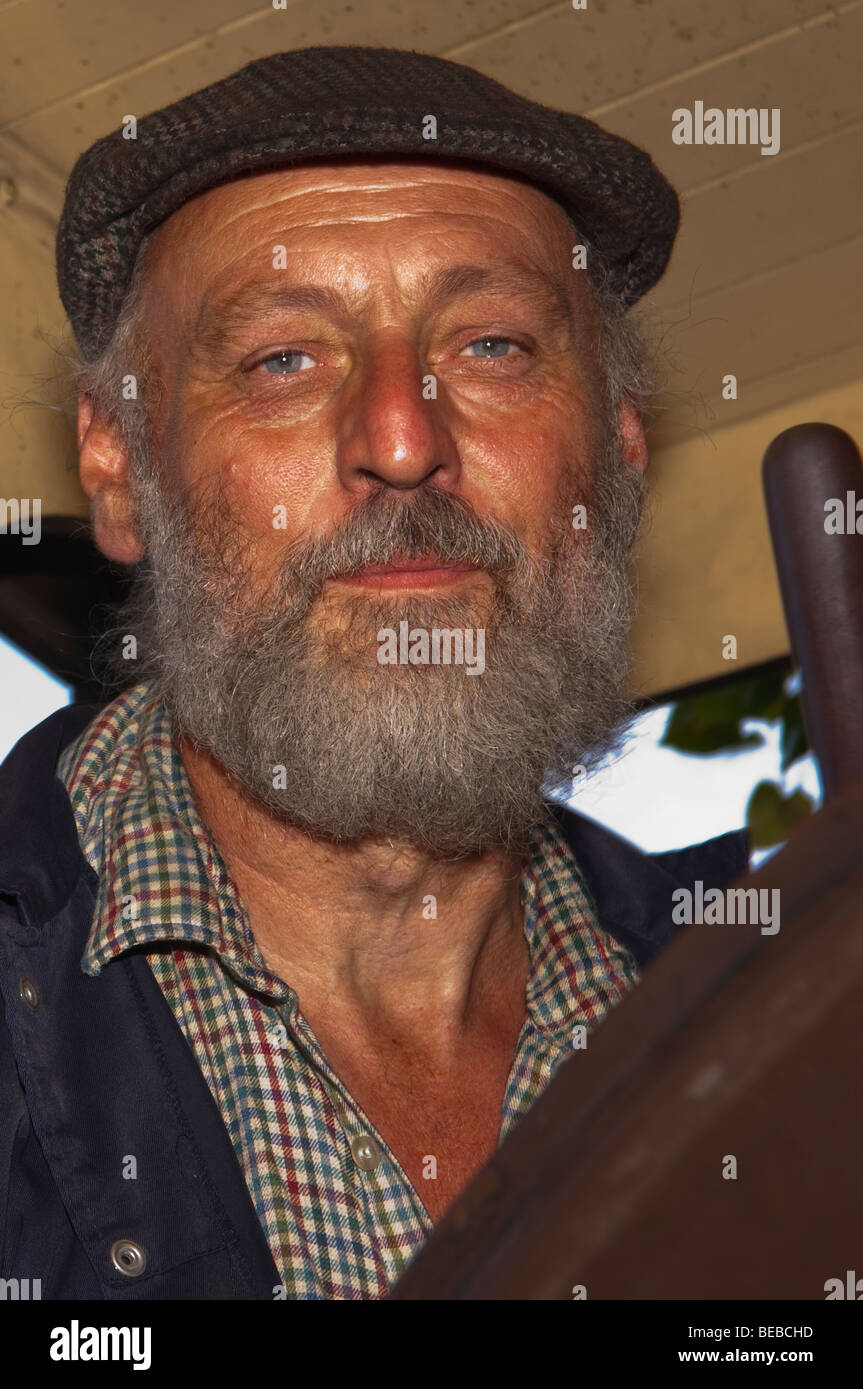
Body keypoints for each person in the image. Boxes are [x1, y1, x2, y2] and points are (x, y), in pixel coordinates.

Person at [0, 46, 747, 1299]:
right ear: (120, 459)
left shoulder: (786, 1017)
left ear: (618, 443)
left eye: (497, 344)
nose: (401, 438)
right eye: (283, 359)